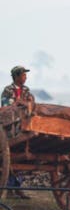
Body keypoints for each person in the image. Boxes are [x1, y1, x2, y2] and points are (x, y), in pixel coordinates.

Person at [2, 66, 36, 198]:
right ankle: (10, 189)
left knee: (21, 157)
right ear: (16, 77)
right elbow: (7, 107)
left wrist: (24, 103)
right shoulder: (7, 90)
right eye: (23, 75)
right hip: (10, 128)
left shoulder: (27, 90)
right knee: (9, 158)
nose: (25, 77)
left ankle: (18, 188)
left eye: (25, 75)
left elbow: (31, 104)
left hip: (24, 125)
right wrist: (21, 103)